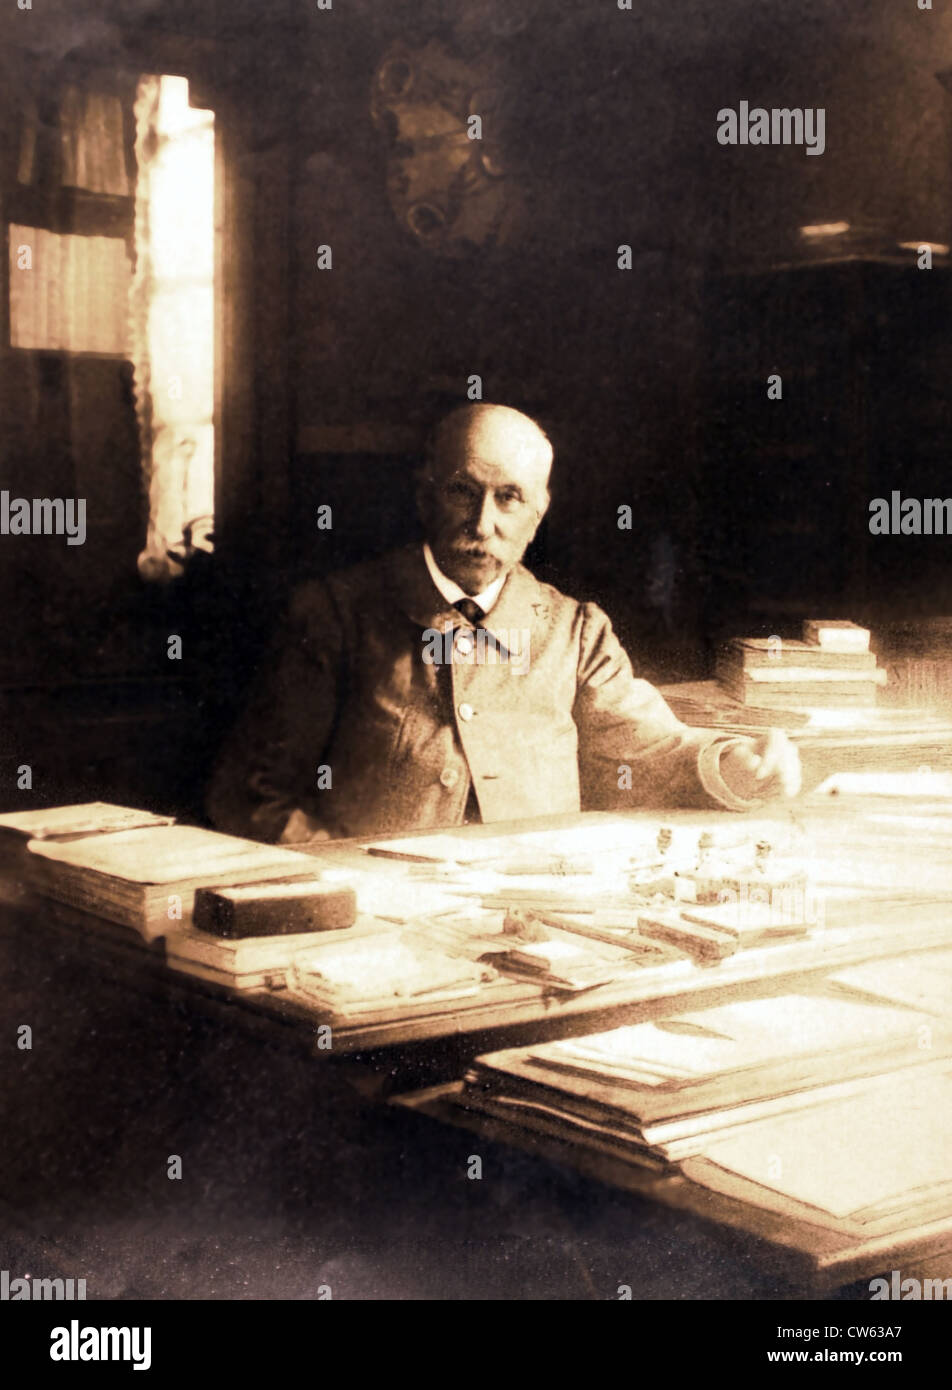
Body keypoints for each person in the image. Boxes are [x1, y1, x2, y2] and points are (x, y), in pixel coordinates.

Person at [207, 403, 801, 843]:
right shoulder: (335, 615)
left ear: (537, 515)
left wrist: (734, 764)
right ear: (424, 497)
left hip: (541, 917)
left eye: (510, 497)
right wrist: (346, 882)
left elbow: (650, 751)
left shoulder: (575, 631)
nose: (483, 522)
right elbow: (252, 796)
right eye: (462, 491)